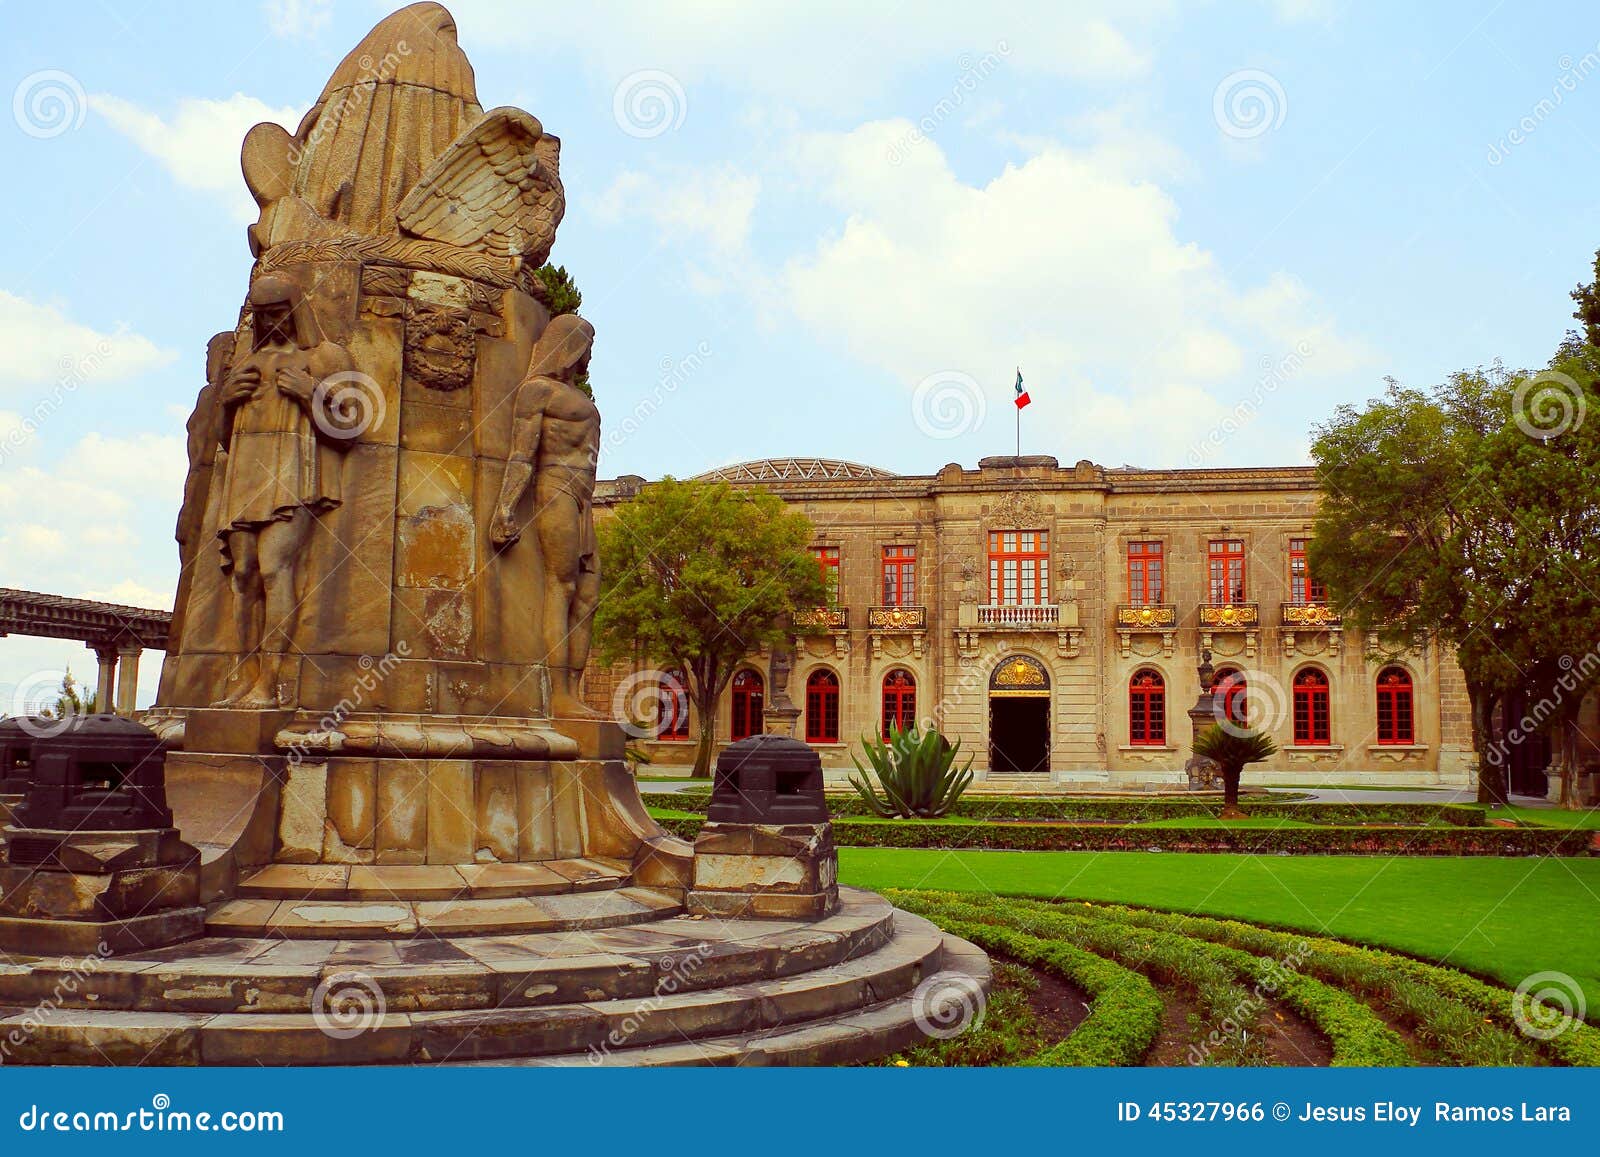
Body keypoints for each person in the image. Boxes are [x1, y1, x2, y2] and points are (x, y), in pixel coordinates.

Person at [212, 275, 355, 707]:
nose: (272, 323)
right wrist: (226, 403)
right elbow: (224, 439)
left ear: (296, 310)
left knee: (275, 569)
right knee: (243, 575)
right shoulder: (247, 361)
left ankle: (270, 682)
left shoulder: (324, 356)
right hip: (244, 470)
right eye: (263, 316)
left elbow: (350, 428)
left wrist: (312, 393)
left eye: (279, 314)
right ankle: (245, 676)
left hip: (291, 471)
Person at [490, 314, 602, 718]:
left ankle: (573, 691)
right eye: (587, 345)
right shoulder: (537, 391)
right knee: (562, 585)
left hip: (584, 498)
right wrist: (505, 507)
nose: (590, 355)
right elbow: (522, 454)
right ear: (570, 345)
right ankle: (558, 695)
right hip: (555, 489)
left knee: (588, 597)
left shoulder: (574, 395)